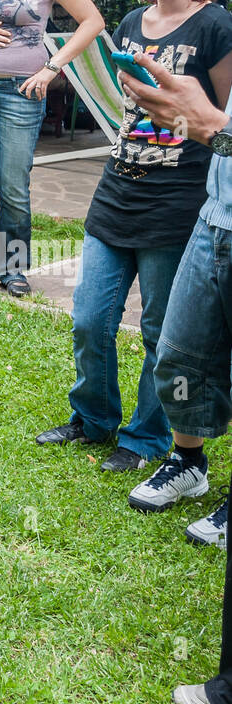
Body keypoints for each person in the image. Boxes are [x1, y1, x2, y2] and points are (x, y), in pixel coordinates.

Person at [36, 0, 232, 479]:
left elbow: (220, 121)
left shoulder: (218, 25)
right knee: (89, 316)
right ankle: (94, 418)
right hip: (118, 188)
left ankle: (147, 437)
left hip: (177, 199)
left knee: (159, 333)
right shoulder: (130, 23)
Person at [120, 49, 232, 704]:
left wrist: (215, 127)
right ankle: (188, 461)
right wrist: (200, 122)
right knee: (178, 352)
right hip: (217, 215)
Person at [0, 0, 104, 296]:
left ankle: (12, 268)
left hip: (22, 91)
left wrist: (52, 68)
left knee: (13, 186)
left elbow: (93, 21)